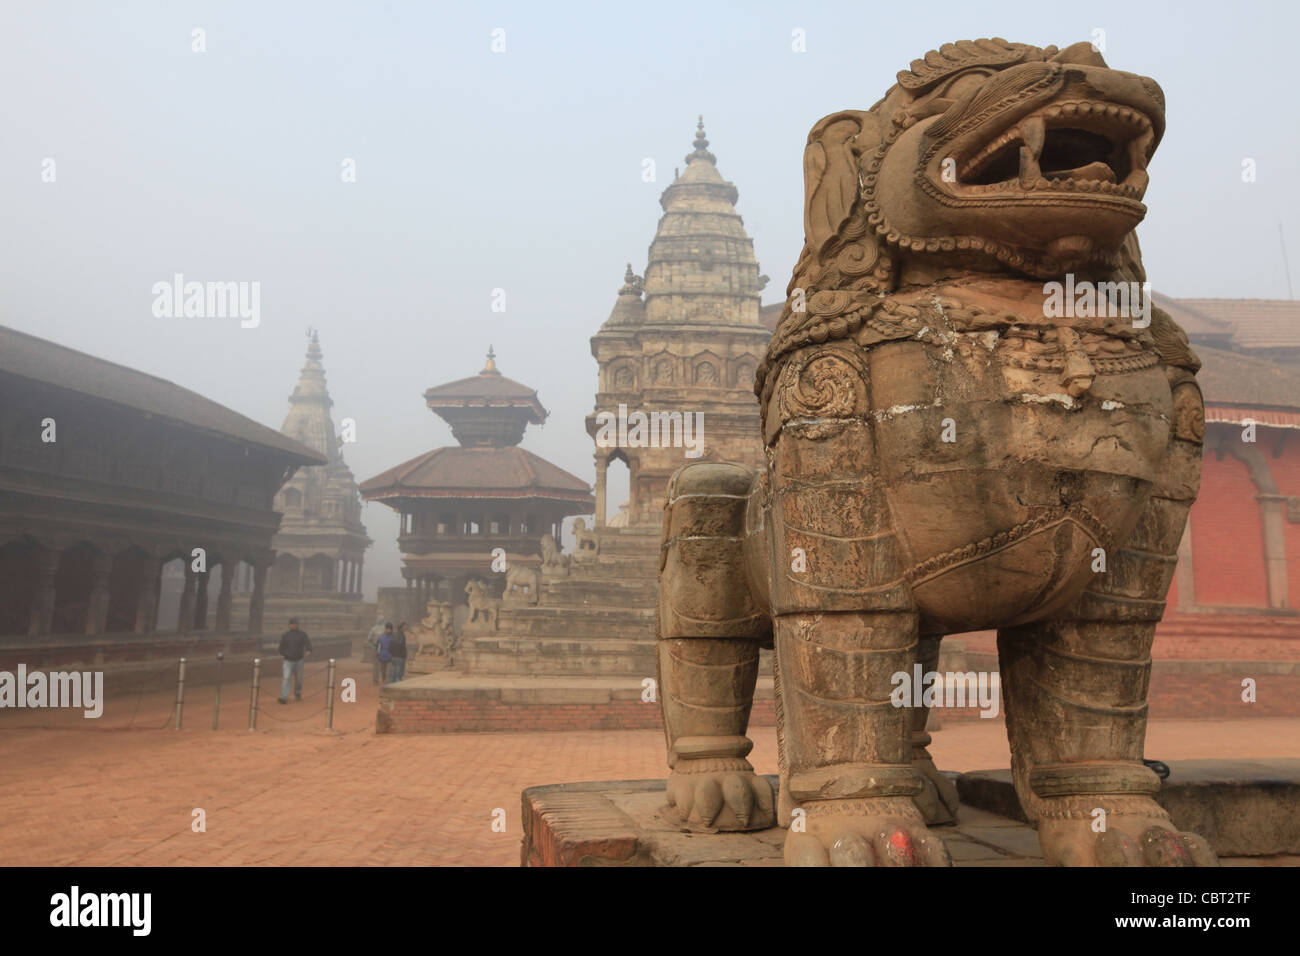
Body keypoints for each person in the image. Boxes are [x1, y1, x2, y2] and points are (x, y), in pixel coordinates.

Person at [277, 617, 312, 704]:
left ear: (297, 625)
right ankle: (284, 696)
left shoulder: (302, 634)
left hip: (299, 660)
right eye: (292, 624)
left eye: (294, 624)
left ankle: (297, 692)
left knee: (299, 679)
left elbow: (308, 645)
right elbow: (280, 648)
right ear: (289, 625)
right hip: (288, 660)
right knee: (286, 678)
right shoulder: (285, 635)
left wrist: (308, 651)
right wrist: (286, 654)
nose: (293, 625)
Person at [366, 616, 387, 685]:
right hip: (383, 649)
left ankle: (375, 681)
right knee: (383, 664)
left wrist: (372, 646)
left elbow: (369, 639)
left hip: (375, 647)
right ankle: (384, 679)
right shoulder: (385, 629)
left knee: (375, 665)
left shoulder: (373, 629)